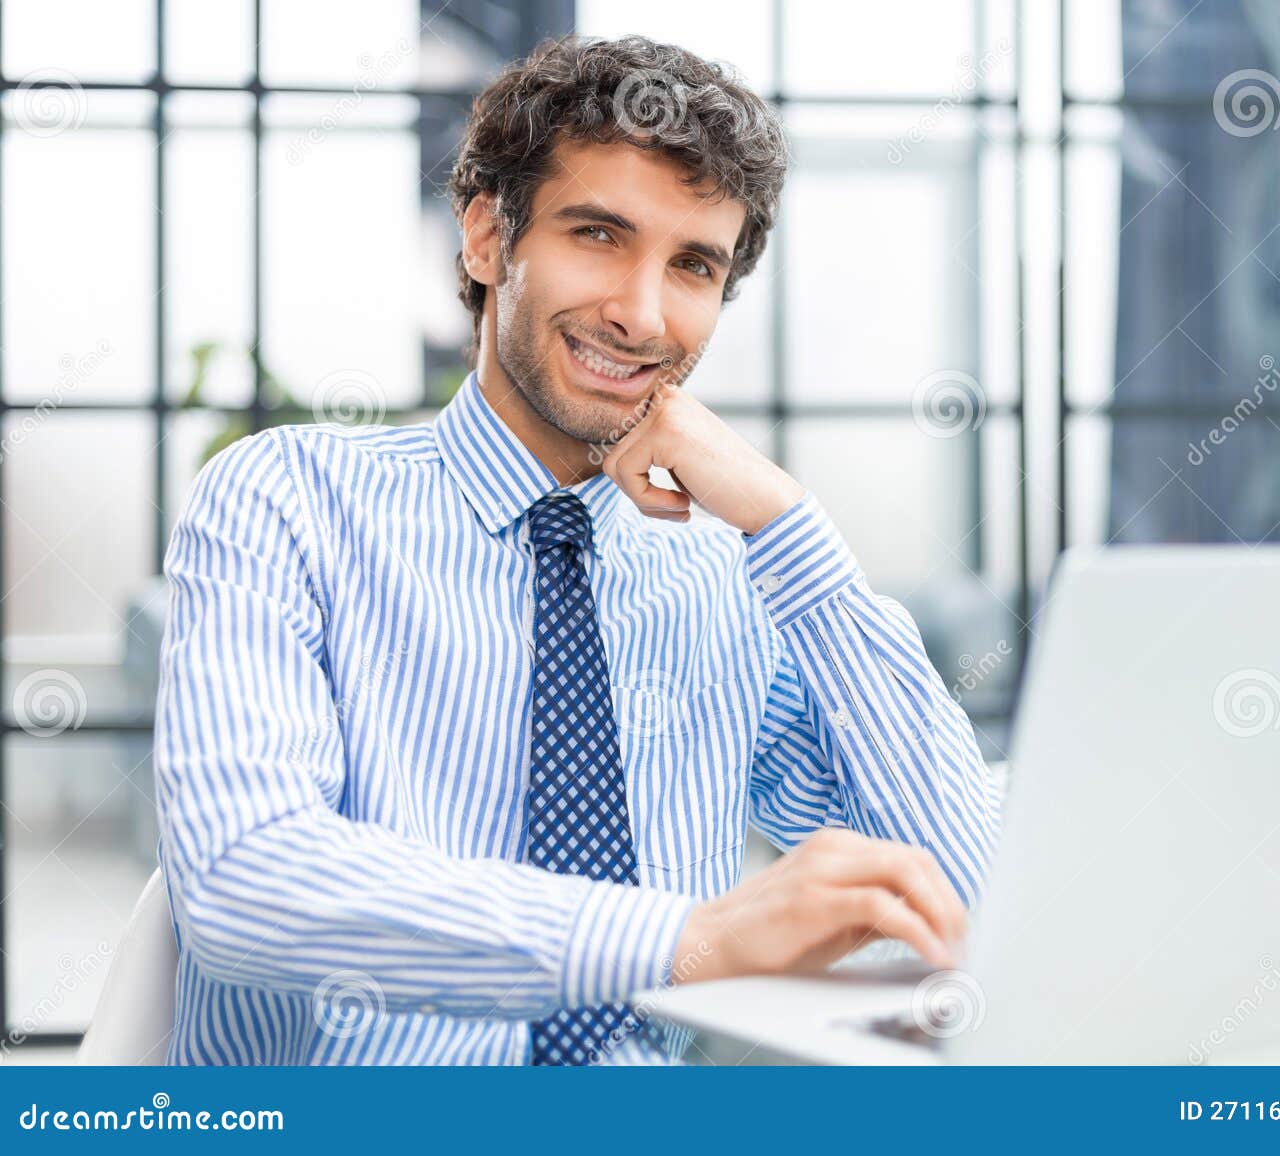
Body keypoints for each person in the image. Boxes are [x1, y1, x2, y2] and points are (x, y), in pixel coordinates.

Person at [155, 34, 1001, 1065]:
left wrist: (788, 525)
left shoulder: (726, 566)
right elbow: (247, 881)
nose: (641, 314)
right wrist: (683, 940)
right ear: (484, 237)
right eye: (598, 234)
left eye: (693, 265)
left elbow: (971, 895)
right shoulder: (287, 500)